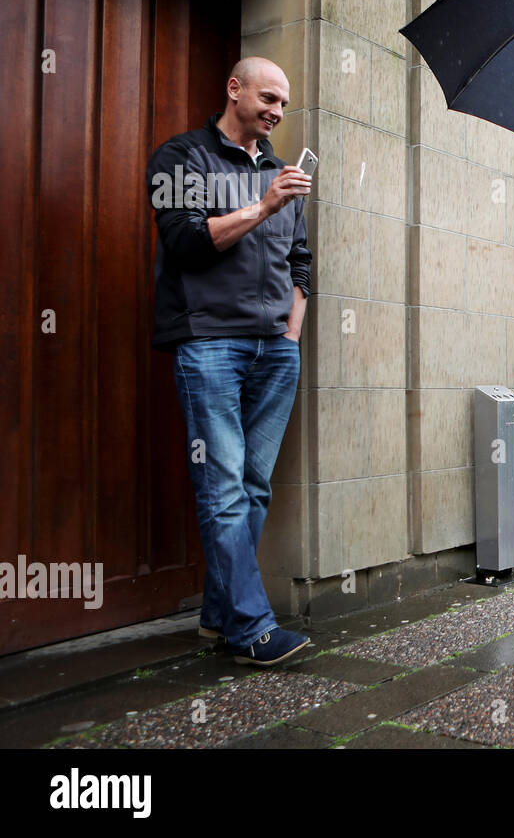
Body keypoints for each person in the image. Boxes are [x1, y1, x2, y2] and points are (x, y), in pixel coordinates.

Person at [149, 57, 313, 667]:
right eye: (268, 98)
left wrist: (292, 332)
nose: (276, 112)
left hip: (276, 350)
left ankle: (219, 618)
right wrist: (263, 207)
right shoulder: (181, 158)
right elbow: (185, 242)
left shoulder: (281, 172)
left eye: (284, 105)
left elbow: (301, 260)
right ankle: (252, 627)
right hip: (211, 343)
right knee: (222, 490)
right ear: (233, 89)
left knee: (253, 486)